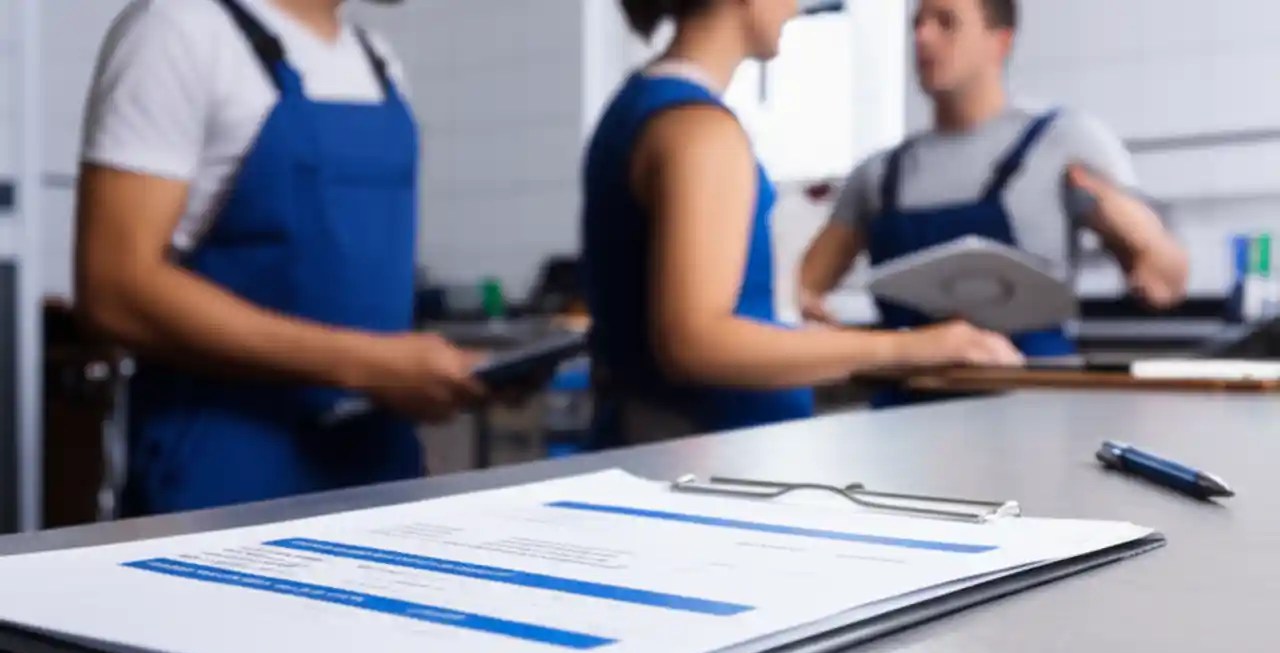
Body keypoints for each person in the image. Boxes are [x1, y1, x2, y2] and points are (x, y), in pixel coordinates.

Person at [75, 0, 485, 517]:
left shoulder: (376, 60)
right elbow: (115, 288)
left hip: (376, 471)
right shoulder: (178, 31)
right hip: (223, 477)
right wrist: (366, 364)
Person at [581, 0, 1025, 449]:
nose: (795, 8)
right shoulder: (699, 131)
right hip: (696, 457)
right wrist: (912, 348)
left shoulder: (640, 104)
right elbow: (693, 343)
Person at [800, 0, 1189, 406]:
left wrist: (1138, 240)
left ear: (999, 42)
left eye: (946, 22)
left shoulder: (1064, 143)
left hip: (1034, 410)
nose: (923, 37)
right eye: (917, 24)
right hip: (901, 420)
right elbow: (800, 295)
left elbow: (1167, 284)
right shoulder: (878, 175)